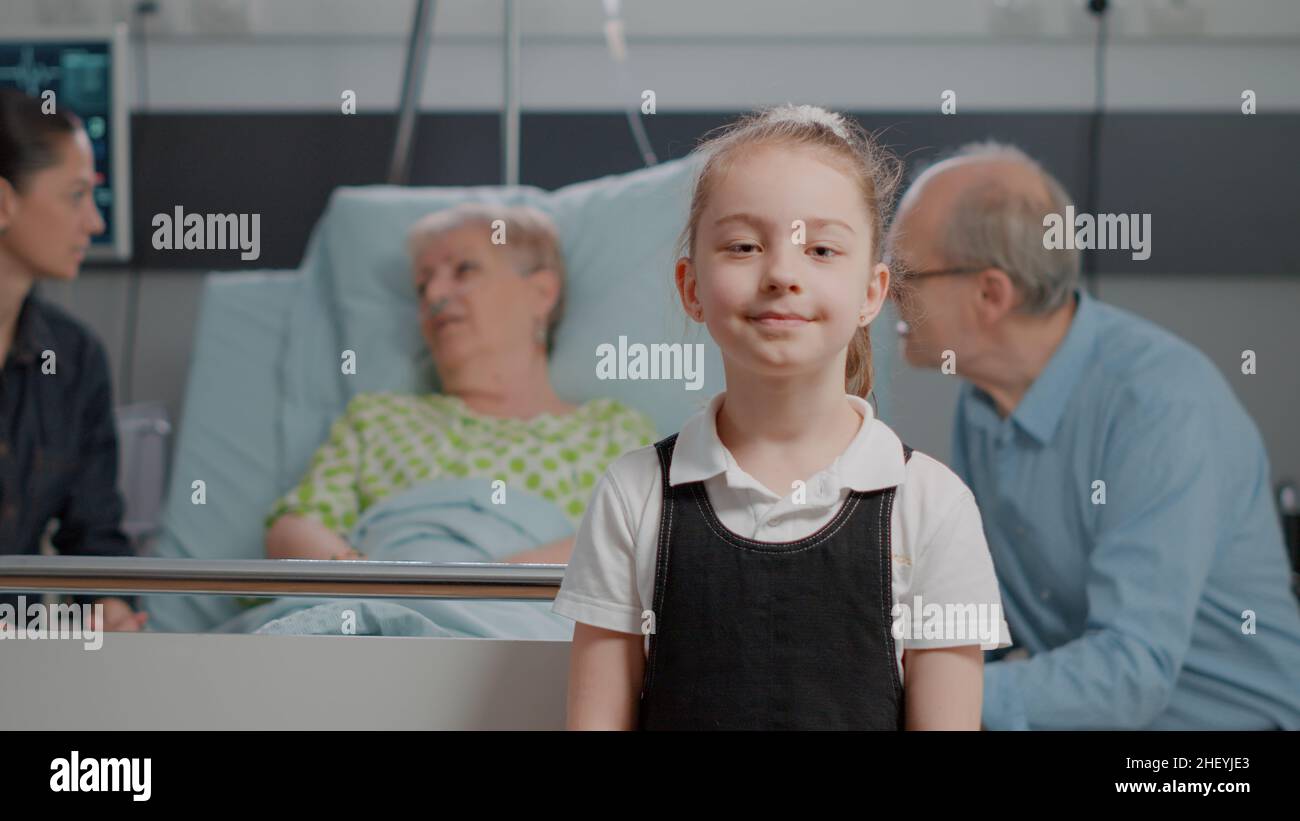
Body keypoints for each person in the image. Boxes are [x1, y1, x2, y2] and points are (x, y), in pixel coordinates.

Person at [553, 104, 1010, 730]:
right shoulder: (633, 496)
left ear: (872, 294)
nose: (782, 274)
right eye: (744, 246)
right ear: (691, 288)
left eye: (821, 249)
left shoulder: (933, 505)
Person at [887, 140, 1300, 729]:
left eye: (908, 272)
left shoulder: (1158, 403)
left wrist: (930, 691)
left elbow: (1130, 674)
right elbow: (985, 617)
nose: (887, 289)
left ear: (991, 294)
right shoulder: (983, 396)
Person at [265, 203, 657, 563]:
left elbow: (643, 542)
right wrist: (363, 583)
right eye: (423, 285)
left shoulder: (612, 432)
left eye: (464, 270)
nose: (434, 294)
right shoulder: (378, 420)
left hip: (530, 629)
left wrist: (483, 588)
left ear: (541, 293)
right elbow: (295, 526)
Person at [0, 88, 146, 631]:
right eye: (76, 195)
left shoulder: (74, 360)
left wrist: (109, 607)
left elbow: (95, 536)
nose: (94, 223)